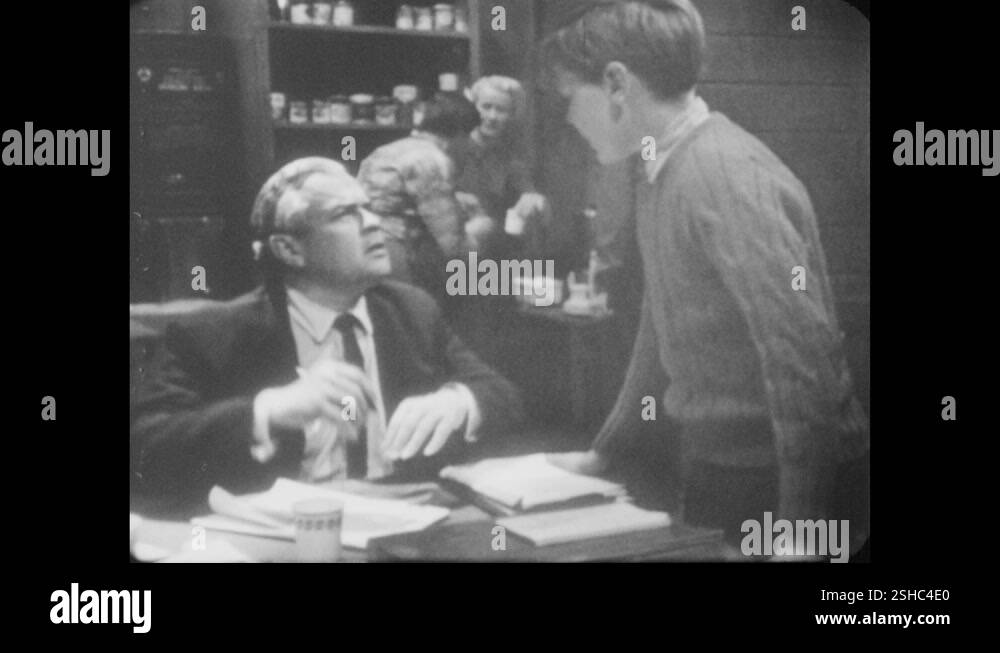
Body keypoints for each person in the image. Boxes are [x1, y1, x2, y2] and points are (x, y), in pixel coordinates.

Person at [541, 0, 869, 558]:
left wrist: (802, 526)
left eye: (571, 96)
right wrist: (607, 452)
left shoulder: (722, 174)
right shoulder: (659, 167)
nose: (569, 117)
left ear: (617, 84)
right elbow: (660, 321)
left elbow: (802, 362)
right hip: (723, 470)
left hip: (791, 484)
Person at [131, 158, 524, 509]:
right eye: (344, 214)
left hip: (402, 519)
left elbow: (502, 394)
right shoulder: (217, 333)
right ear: (289, 249)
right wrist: (267, 409)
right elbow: (144, 446)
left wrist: (460, 401)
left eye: (369, 209)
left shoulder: (411, 310)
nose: (373, 224)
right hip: (286, 534)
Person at [356, 92, 484, 307]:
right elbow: (454, 247)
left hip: (362, 254)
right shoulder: (433, 159)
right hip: (398, 260)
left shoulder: (385, 151)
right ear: (461, 133)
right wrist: (481, 226)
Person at [455, 75, 549, 257]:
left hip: (493, 253)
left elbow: (528, 192)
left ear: (512, 115)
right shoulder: (453, 147)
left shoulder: (511, 156)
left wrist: (536, 201)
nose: (492, 116)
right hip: (453, 250)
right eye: (486, 107)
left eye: (501, 110)